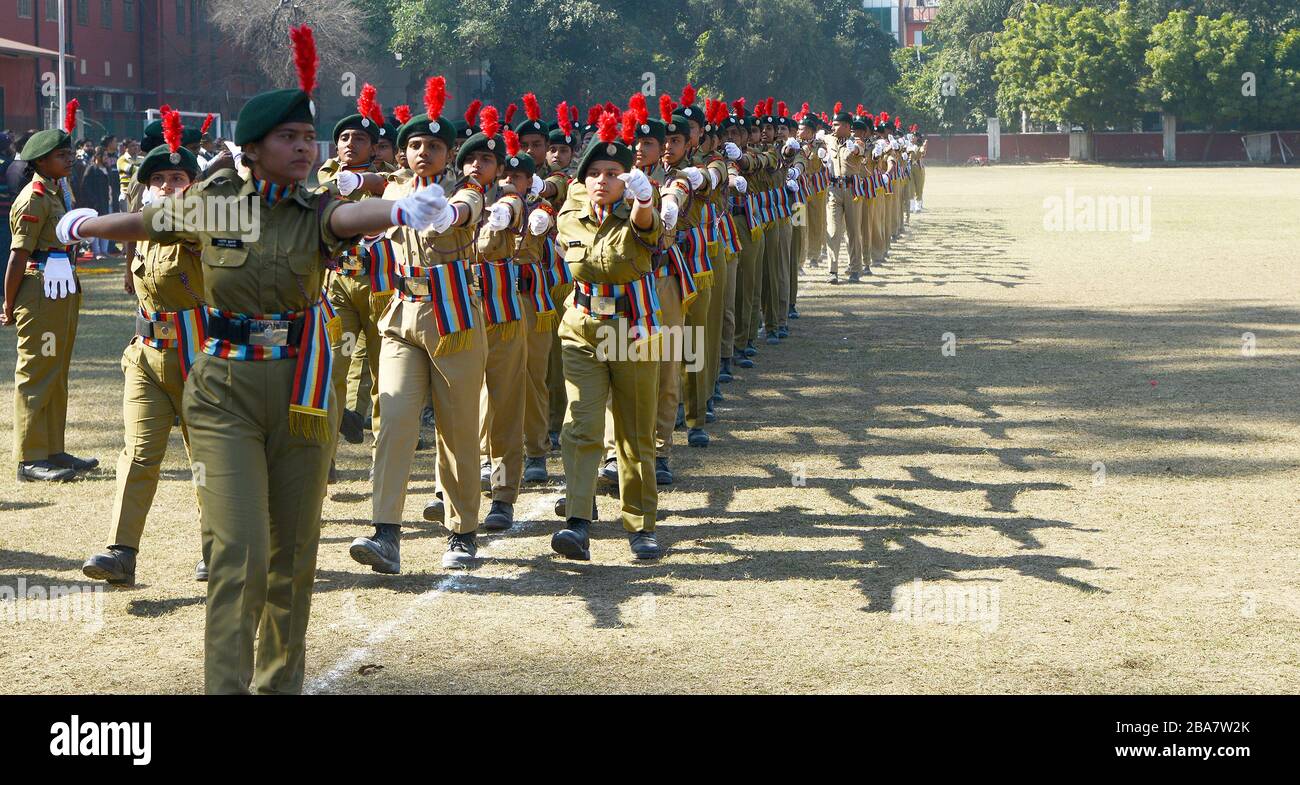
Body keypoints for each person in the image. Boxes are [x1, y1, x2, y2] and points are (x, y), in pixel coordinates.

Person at [58, 25, 451, 693]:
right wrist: (82, 226)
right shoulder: (216, 204)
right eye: (288, 138)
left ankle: (278, 685)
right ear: (253, 150)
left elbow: (353, 219)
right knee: (235, 554)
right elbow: (148, 225)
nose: (303, 147)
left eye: (307, 138)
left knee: (291, 558)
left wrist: (404, 210)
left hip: (301, 388)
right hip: (223, 390)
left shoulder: (315, 210)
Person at [347, 80, 490, 574]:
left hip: (454, 321)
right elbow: (366, 220)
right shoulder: (392, 190)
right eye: (413, 146)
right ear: (404, 153)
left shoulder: (464, 190)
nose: (422, 152)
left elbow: (467, 209)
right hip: (401, 315)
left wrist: (448, 212)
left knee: (457, 428)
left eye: (433, 146)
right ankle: (385, 532)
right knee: (393, 421)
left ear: (449, 154)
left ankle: (462, 530)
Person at [82, 108, 207, 585]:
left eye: (179, 176)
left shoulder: (200, 222)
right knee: (137, 454)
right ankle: (121, 550)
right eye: (159, 178)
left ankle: (216, 549)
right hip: (147, 354)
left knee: (208, 459)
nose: (169, 185)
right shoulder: (142, 229)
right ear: (146, 186)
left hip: (201, 353)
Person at [551, 108, 665, 561]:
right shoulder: (570, 215)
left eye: (613, 173)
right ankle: (577, 522)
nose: (602, 180)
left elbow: (651, 231)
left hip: (635, 330)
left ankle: (640, 525)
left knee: (635, 432)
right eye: (594, 173)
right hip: (581, 327)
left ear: (628, 178)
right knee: (580, 425)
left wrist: (641, 202)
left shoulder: (639, 207)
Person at [2, 103, 99, 482]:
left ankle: (53, 449)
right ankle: (29, 458)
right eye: (62, 155)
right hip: (39, 292)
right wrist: (8, 305)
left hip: (61, 288)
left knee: (57, 372)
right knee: (36, 373)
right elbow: (17, 256)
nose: (70, 158)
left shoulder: (56, 192)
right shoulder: (35, 198)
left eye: (70, 152)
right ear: (41, 161)